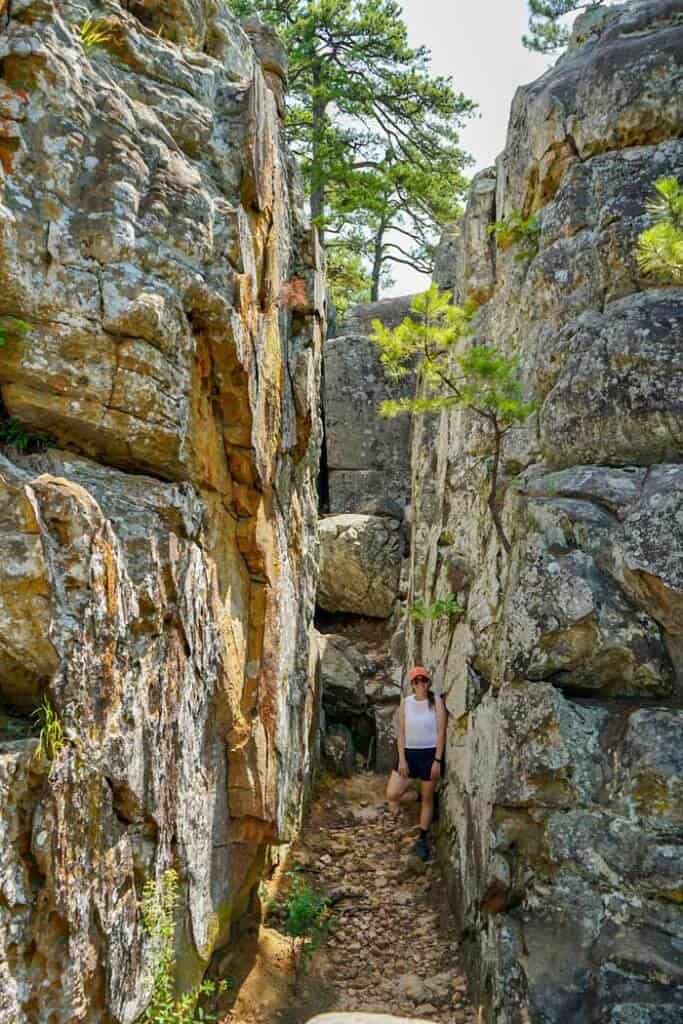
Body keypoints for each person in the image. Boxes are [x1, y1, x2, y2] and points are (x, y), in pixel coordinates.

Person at [386, 665, 446, 861]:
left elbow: (441, 732)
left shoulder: (436, 701)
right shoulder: (406, 703)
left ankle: (422, 837)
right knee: (393, 794)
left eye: (423, 680)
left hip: (429, 755)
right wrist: (402, 759)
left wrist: (437, 760)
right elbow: (401, 733)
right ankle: (420, 796)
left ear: (428, 683)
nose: (420, 684)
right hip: (409, 754)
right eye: (416, 681)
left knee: (428, 801)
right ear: (412, 684)